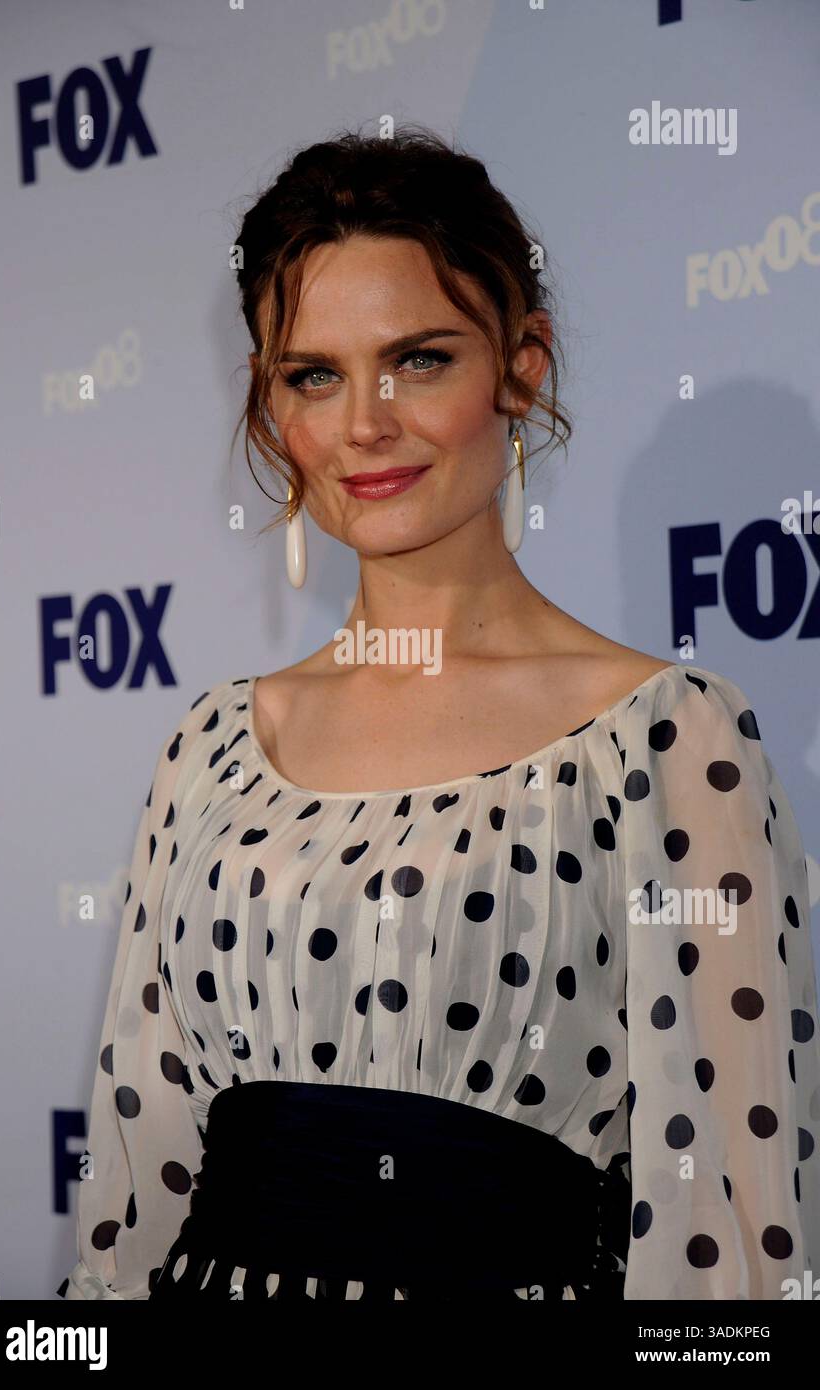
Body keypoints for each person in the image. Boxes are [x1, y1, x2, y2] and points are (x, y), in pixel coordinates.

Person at [60, 128, 820, 1301]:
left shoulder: (667, 740)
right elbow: (135, 1182)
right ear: (271, 411)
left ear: (522, 367)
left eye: (418, 359)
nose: (365, 422)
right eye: (314, 373)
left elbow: (727, 1228)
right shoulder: (211, 747)